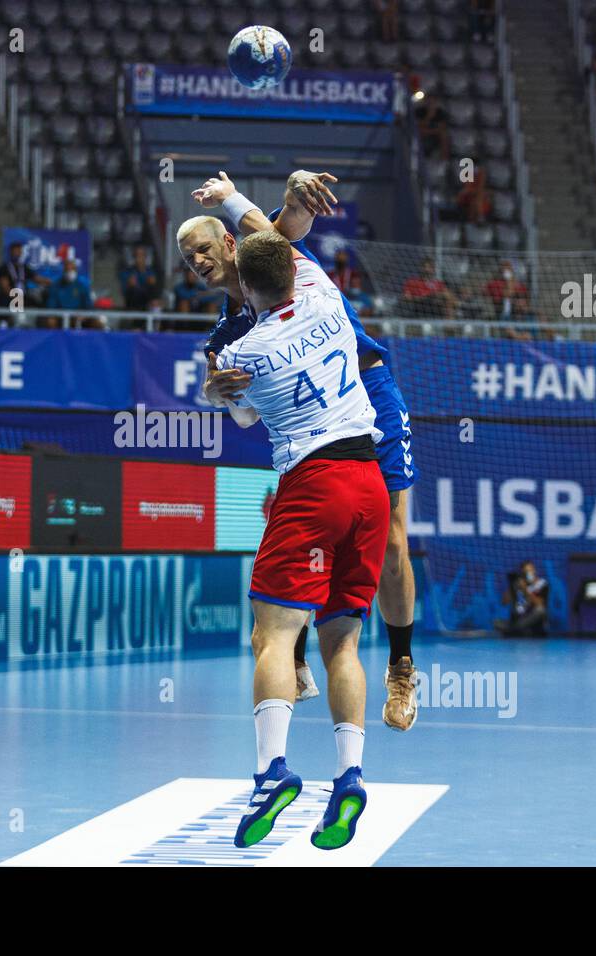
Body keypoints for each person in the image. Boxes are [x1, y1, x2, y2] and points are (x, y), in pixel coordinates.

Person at [185, 169, 421, 733]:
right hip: (318, 438)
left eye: (203, 247)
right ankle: (294, 652)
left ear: (230, 244)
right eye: (187, 257)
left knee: (391, 538)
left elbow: (291, 218)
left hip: (372, 393)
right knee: (316, 532)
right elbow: (235, 407)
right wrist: (209, 393)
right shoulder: (225, 337)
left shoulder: (282, 260)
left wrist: (276, 189)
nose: (197, 260)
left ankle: (402, 664)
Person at [214, 229, 388, 851]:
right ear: (292, 267)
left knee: (274, 635)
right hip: (370, 484)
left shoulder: (247, 351)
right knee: (341, 642)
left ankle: (271, 774)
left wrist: (214, 386)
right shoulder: (327, 294)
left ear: (244, 283)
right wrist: (240, 204)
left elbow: (241, 416)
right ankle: (350, 778)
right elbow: (283, 246)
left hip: (314, 483)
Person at [495, 561, 548, 637]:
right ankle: (518, 630)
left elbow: (539, 604)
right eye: (526, 572)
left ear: (534, 571)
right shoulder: (518, 584)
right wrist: (512, 586)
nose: (529, 574)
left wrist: (525, 589)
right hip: (519, 618)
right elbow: (504, 602)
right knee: (497, 623)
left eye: (530, 571)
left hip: (533, 620)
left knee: (540, 610)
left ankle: (515, 630)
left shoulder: (542, 584)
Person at [119, 245, 159, 310]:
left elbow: (152, 289)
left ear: (145, 257)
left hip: (147, 300)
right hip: (132, 300)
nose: (140, 258)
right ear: (133, 257)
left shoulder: (151, 272)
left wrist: (151, 284)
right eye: (137, 255)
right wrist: (130, 285)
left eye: (142, 255)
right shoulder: (127, 272)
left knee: (153, 292)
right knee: (133, 289)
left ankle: (155, 315)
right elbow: (124, 291)